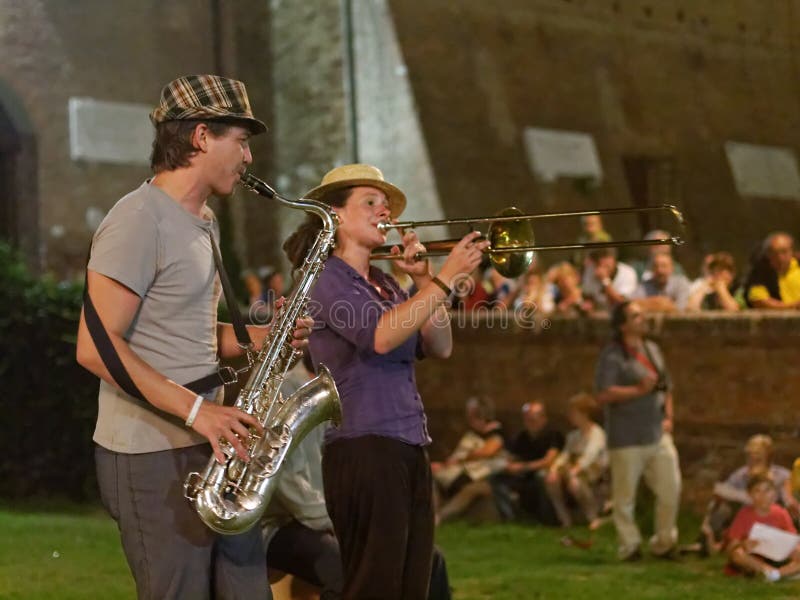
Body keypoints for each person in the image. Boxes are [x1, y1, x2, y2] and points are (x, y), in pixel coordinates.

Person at [75, 75, 313, 599]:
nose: (248, 158)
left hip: (213, 444)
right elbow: (96, 346)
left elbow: (188, 332)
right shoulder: (137, 219)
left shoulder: (201, 220)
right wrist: (196, 411)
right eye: (241, 141)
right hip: (151, 454)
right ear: (202, 137)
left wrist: (260, 337)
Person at [283, 163, 487, 599]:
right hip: (364, 447)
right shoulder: (324, 278)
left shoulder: (383, 284)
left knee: (412, 585)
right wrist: (447, 279)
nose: (385, 212)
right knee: (374, 587)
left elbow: (439, 345)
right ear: (334, 216)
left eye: (387, 205)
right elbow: (379, 335)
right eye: (370, 202)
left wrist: (423, 280)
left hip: (407, 443)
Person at [595, 300, 682, 561]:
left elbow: (666, 386)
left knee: (671, 488)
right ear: (623, 325)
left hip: (656, 433)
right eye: (636, 316)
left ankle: (664, 542)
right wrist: (637, 391)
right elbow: (603, 393)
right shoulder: (612, 356)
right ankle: (629, 546)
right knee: (625, 497)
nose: (643, 318)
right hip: (626, 437)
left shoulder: (652, 350)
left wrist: (669, 416)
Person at [689, 434, 797, 556]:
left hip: (772, 515)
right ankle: (706, 541)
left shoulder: (781, 475)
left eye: (757, 455)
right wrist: (745, 497)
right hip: (745, 515)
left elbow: (789, 498)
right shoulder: (741, 474)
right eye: (750, 455)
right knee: (722, 508)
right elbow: (721, 489)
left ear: (768, 456)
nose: (753, 458)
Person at [431, 396, 507, 523]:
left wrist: (460, 461)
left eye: (471, 414)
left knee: (469, 489)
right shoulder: (471, 434)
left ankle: (440, 517)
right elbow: (458, 456)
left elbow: (488, 451)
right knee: (431, 473)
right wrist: (444, 465)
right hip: (460, 472)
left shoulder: (497, 433)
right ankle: (431, 512)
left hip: (484, 477)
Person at [493, 401, 565, 523]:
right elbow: (512, 456)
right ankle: (510, 517)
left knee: (541, 477)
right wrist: (508, 465)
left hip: (543, 473)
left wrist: (523, 467)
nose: (530, 422)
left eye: (533, 419)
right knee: (495, 479)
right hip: (524, 475)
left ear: (543, 418)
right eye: (527, 419)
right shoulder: (523, 436)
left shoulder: (553, 434)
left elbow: (548, 461)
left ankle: (547, 519)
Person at [544, 393, 608, 529]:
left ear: (584, 414)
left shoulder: (597, 434)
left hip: (594, 475)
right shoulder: (573, 436)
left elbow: (590, 457)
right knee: (551, 479)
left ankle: (592, 516)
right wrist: (554, 469)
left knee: (576, 482)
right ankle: (564, 518)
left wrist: (574, 471)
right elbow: (564, 455)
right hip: (574, 471)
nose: (570, 416)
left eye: (573, 412)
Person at [725, 473, 800, 582]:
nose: (763, 495)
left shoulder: (781, 513)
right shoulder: (744, 514)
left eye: (767, 490)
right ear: (750, 495)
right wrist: (744, 544)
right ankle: (771, 572)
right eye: (757, 491)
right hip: (755, 557)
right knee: (738, 554)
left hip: (778, 554)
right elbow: (731, 546)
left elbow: (792, 537)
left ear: (774, 494)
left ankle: (777, 574)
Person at [744, 232, 800, 309]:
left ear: (792, 251)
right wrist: (793, 306)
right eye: (775, 253)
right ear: (768, 254)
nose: (780, 257)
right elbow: (759, 301)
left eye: (784, 251)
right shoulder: (760, 273)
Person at [581, 248, 638, 312]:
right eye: (597, 261)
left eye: (604, 257)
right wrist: (588, 304)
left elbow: (621, 303)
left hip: (620, 315)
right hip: (597, 314)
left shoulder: (628, 272)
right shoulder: (590, 270)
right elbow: (588, 296)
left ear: (613, 259)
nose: (601, 265)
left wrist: (605, 280)